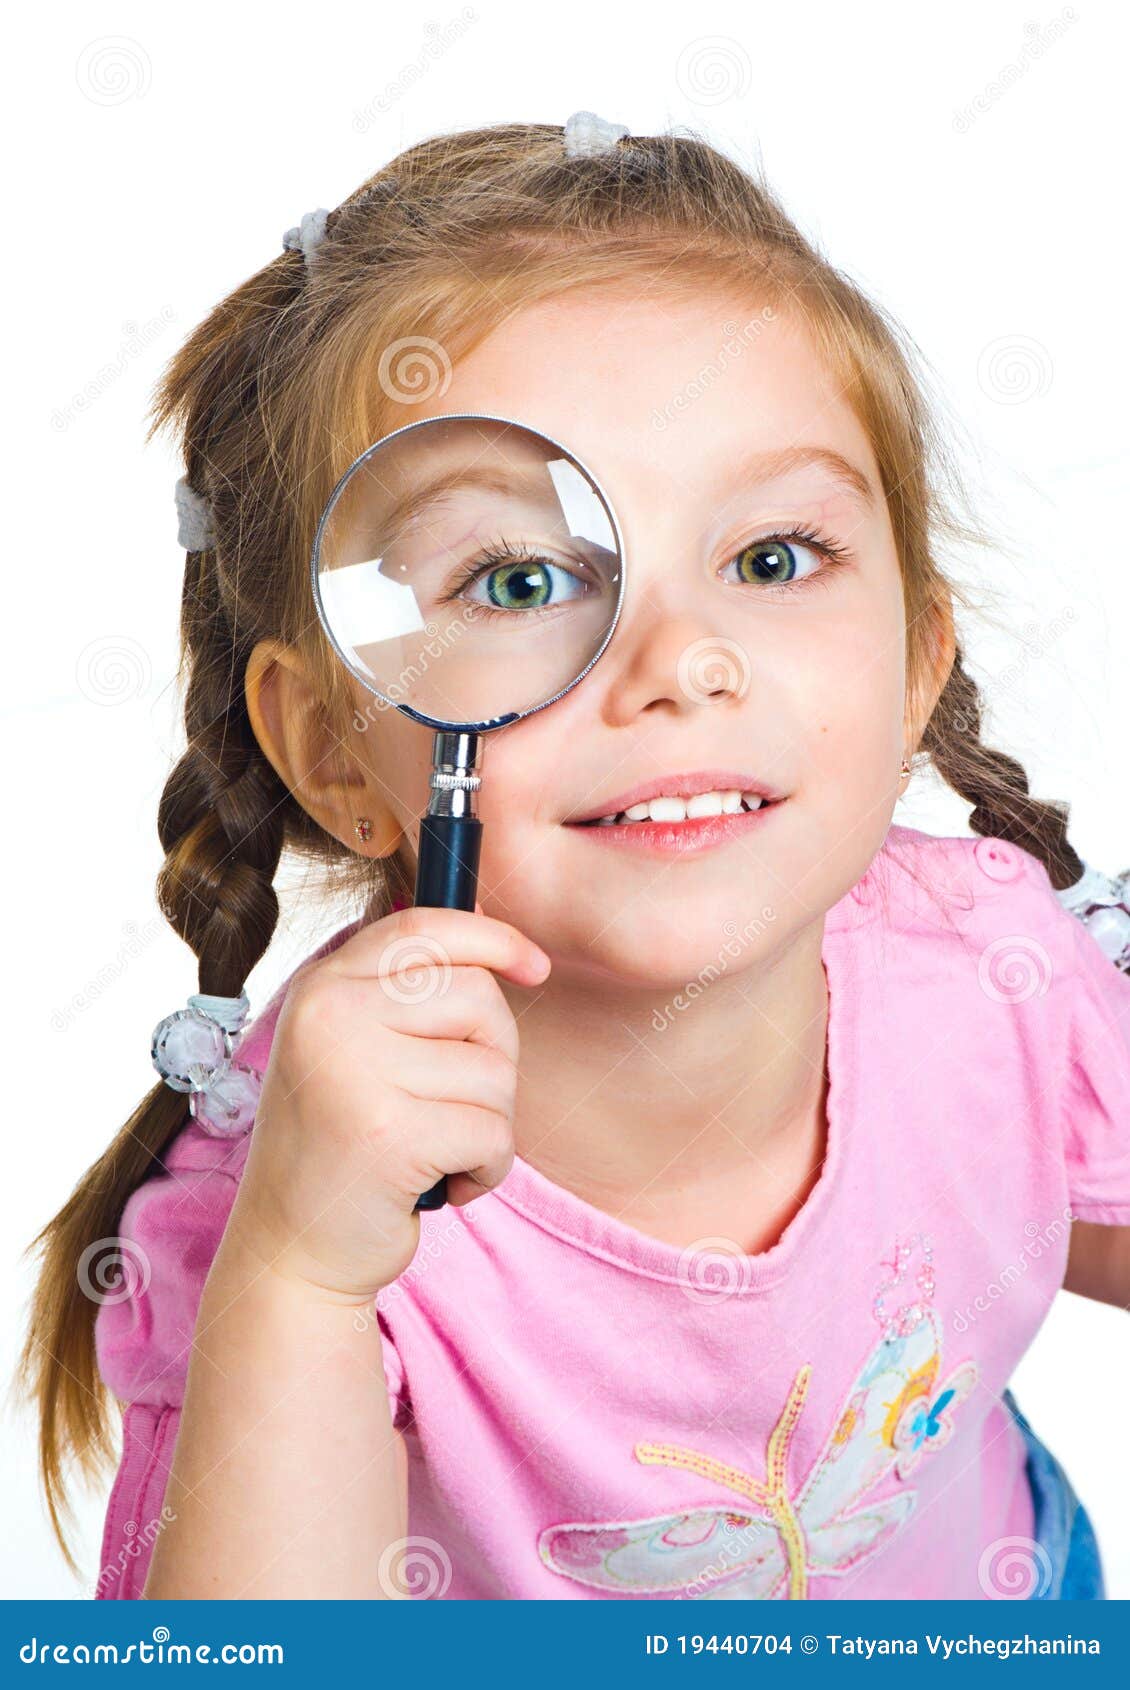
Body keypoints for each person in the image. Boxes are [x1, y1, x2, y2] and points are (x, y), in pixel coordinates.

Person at [18, 113, 1130, 1601]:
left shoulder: (993, 970)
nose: (680, 662)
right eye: (520, 580)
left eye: (773, 558)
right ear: (335, 749)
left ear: (921, 659)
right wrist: (302, 1275)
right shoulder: (302, 1187)